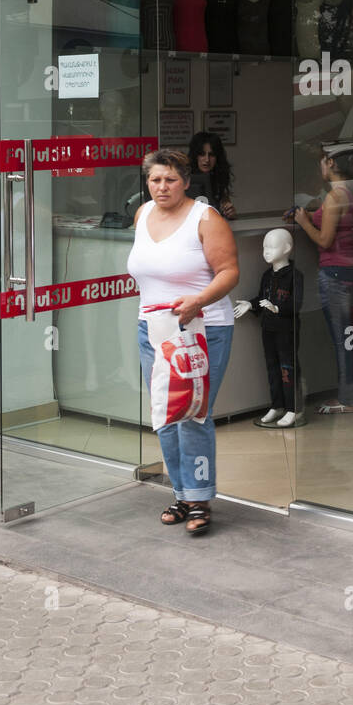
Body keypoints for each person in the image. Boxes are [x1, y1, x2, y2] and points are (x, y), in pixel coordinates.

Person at [127, 148, 239, 535]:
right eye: (155, 179)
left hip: (201, 328)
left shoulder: (205, 219)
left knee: (193, 414)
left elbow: (229, 272)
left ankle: (200, 499)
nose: (162, 187)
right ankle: (181, 493)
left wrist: (198, 300)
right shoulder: (142, 214)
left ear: (186, 182)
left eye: (170, 179)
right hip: (153, 329)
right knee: (165, 414)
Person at [294, 147, 353, 413]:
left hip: (336, 274)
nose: (320, 169)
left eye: (322, 163)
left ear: (330, 164)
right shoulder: (350, 193)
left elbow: (325, 241)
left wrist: (304, 222)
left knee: (342, 339)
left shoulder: (335, 197)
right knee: (351, 336)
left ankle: (346, 399)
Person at [233, 228, 304, 428]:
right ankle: (277, 405)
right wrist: (251, 305)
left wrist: (277, 308)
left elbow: (296, 304)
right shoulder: (267, 275)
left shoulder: (294, 276)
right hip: (268, 328)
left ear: (287, 248)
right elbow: (262, 298)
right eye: (264, 246)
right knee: (272, 368)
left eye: (271, 247)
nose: (266, 251)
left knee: (287, 368)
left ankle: (293, 408)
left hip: (286, 330)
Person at [185, 131, 236, 218]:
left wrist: (229, 212)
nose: (207, 159)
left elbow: (223, 206)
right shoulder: (184, 179)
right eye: (202, 154)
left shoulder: (217, 178)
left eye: (211, 155)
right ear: (195, 156)